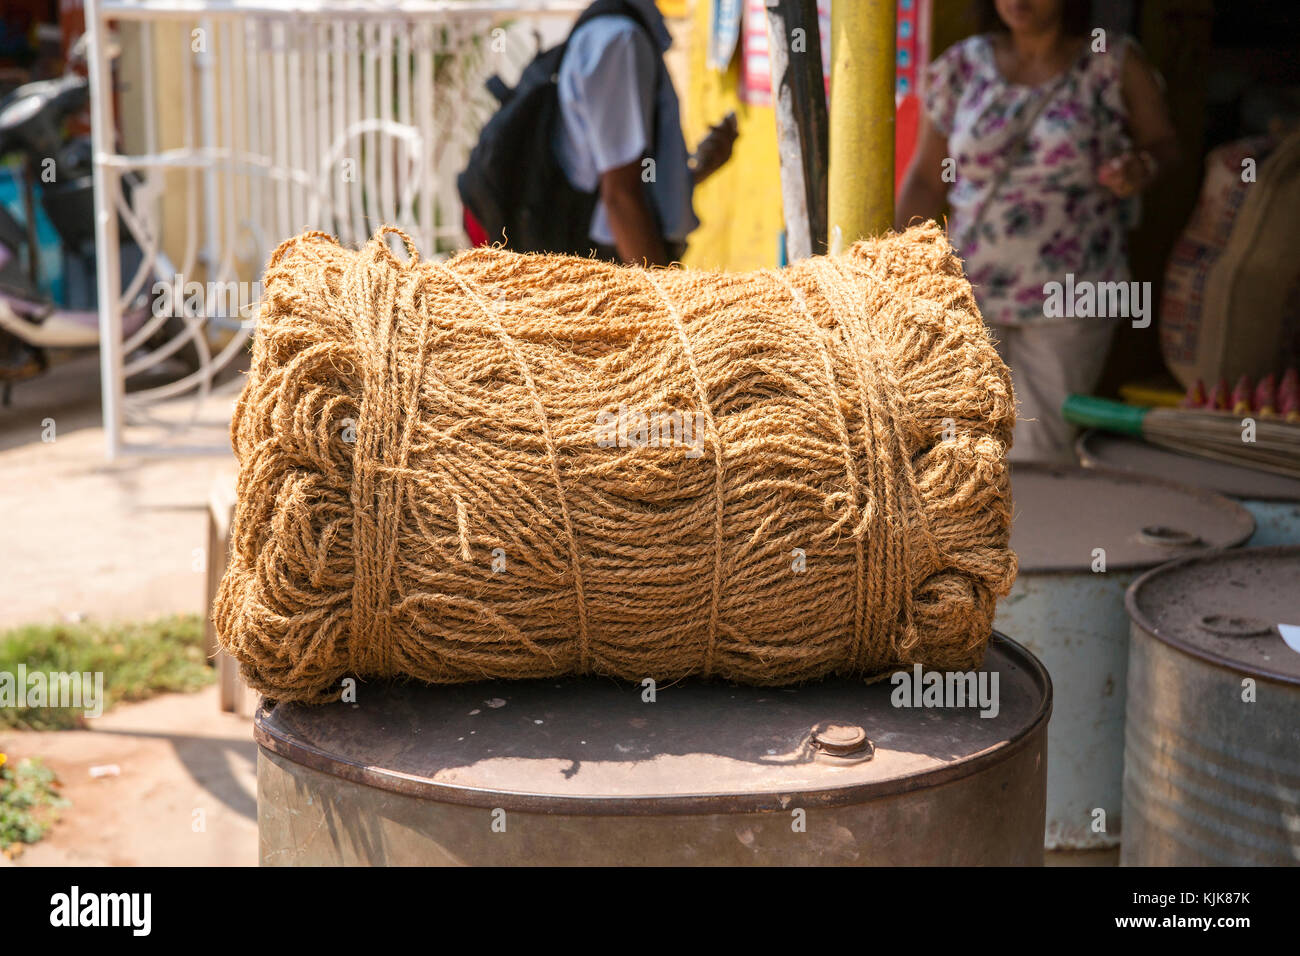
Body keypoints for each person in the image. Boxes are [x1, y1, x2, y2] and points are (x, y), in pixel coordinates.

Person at [896, 0, 1179, 461]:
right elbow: (928, 179)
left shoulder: (1112, 62)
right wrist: (894, 270)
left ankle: (1040, 536)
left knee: (1040, 451)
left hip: (1074, 295)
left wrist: (1140, 167)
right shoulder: (963, 66)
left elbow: (1165, 145)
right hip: (968, 289)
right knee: (959, 450)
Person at [554, 0, 737, 266]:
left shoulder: (626, 30)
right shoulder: (619, 40)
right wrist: (660, 296)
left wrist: (695, 171)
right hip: (617, 258)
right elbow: (620, 197)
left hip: (622, 252)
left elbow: (631, 181)